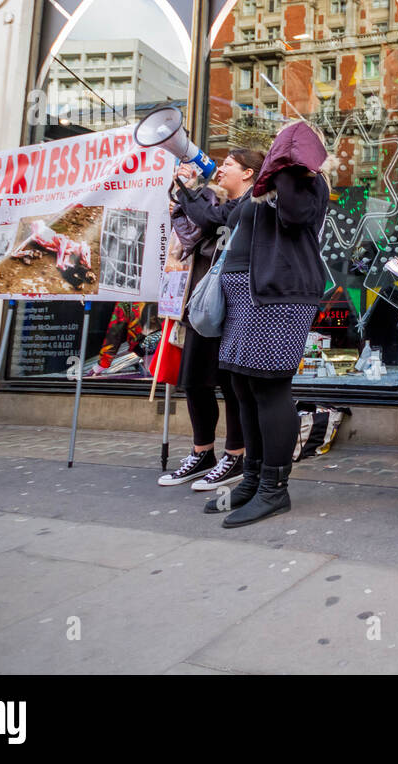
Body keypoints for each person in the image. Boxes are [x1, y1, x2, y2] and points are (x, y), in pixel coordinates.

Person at [216, 122, 331, 528]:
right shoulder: (266, 183)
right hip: (248, 295)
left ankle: (274, 489)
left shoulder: (305, 181)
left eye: (285, 140)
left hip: (279, 295)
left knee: (269, 386)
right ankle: (252, 477)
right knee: (244, 387)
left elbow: (297, 216)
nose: (277, 143)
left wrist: (286, 164)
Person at [157, 149, 264, 493]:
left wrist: (190, 192)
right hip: (204, 302)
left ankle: (235, 455)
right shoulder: (214, 201)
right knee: (195, 380)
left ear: (248, 173)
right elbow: (189, 234)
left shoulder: (253, 203)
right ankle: (202, 452)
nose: (219, 170)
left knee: (232, 384)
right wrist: (184, 192)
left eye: (228, 165)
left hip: (236, 304)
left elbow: (213, 221)